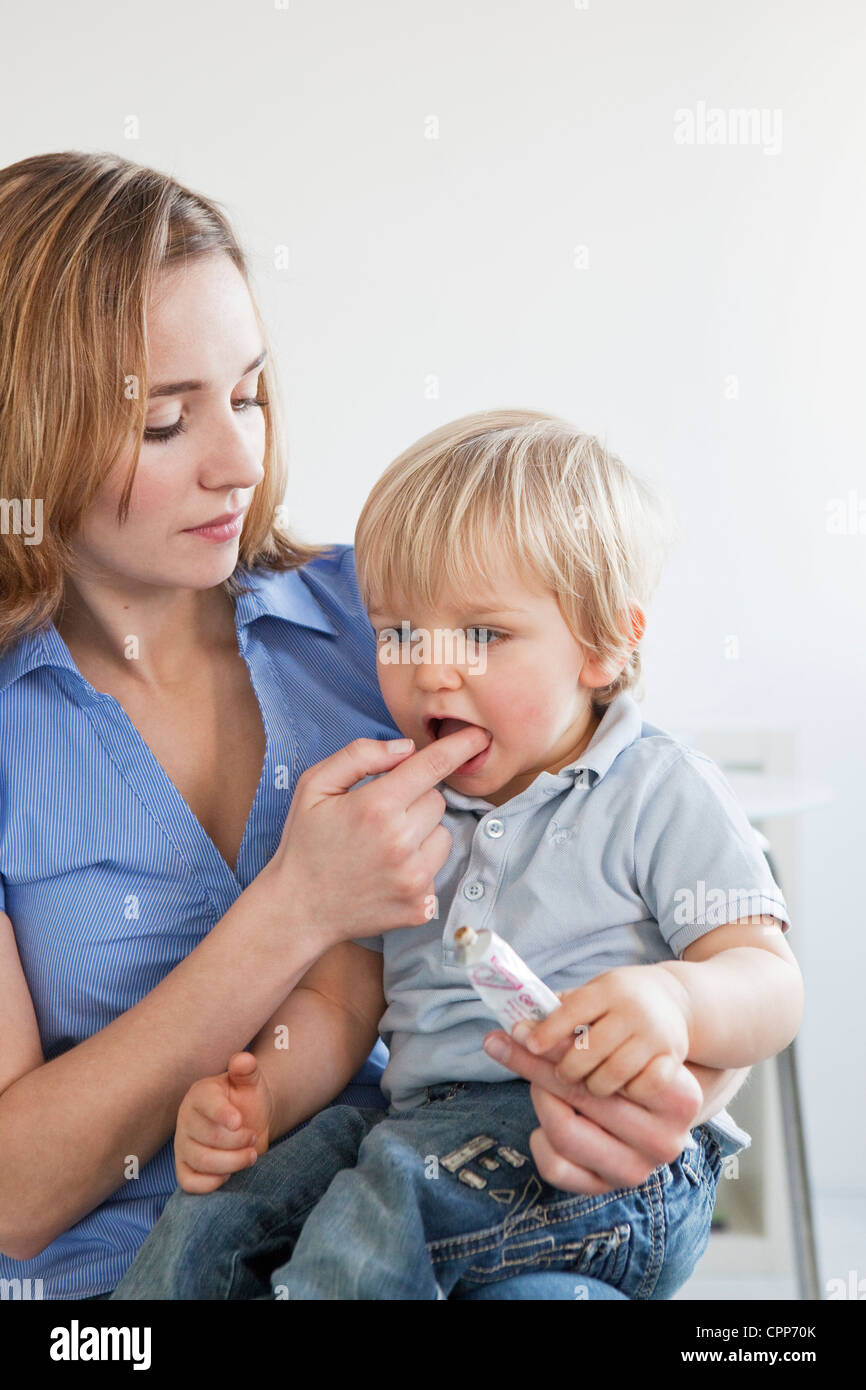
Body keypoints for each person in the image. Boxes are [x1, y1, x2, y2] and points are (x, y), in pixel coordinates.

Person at [0, 152, 746, 1301]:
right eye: (162, 422)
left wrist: (674, 1094)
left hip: (460, 1205)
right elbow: (15, 1197)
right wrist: (294, 908)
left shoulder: (398, 615)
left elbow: (659, 902)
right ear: (26, 435)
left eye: (248, 393)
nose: (241, 462)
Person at [112, 410, 803, 1301]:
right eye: (399, 636)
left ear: (603, 644)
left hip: (610, 1168)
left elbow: (769, 982)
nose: (433, 673)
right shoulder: (396, 817)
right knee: (226, 1207)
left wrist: (675, 1000)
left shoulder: (657, 788)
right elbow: (341, 1004)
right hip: (419, 1127)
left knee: (380, 1210)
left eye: (483, 636)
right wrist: (265, 1102)